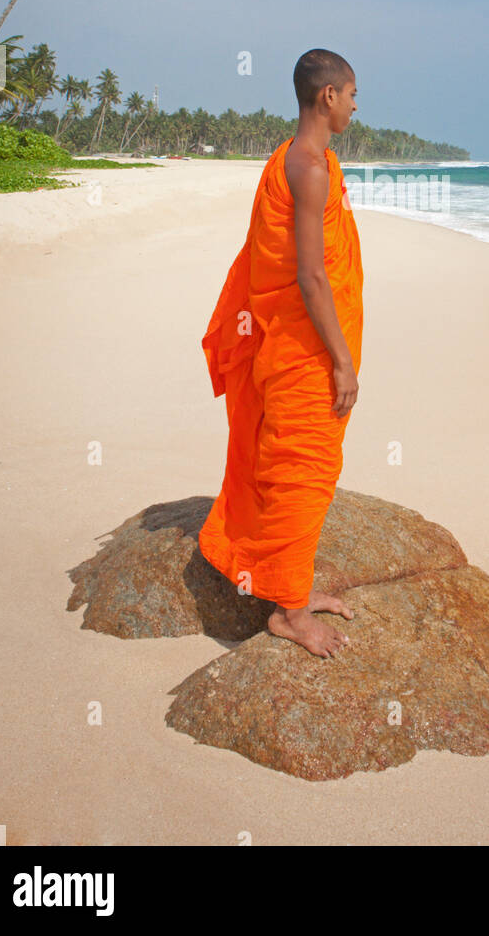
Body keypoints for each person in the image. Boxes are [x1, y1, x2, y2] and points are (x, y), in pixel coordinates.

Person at [198, 49, 363, 658]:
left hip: (296, 341)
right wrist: (342, 361)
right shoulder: (309, 167)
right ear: (327, 97)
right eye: (350, 94)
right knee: (302, 467)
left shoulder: (296, 160)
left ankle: (292, 585)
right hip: (303, 349)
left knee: (302, 464)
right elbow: (312, 278)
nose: (353, 105)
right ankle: (289, 613)